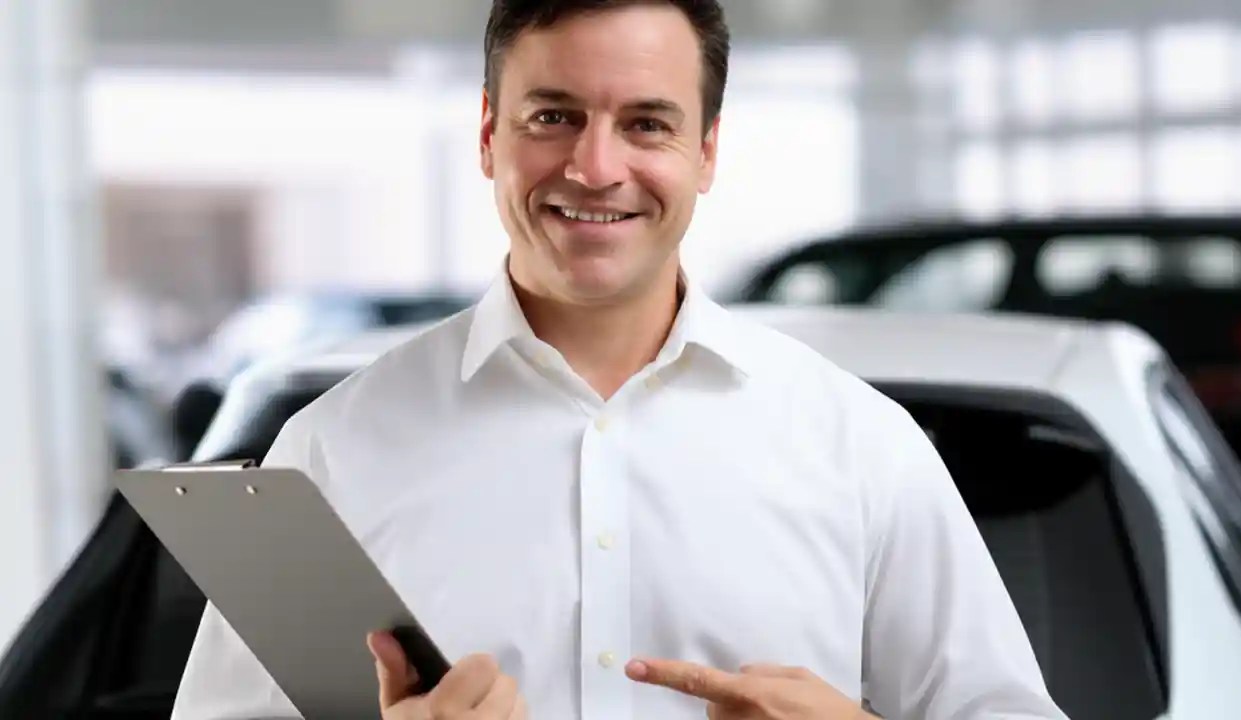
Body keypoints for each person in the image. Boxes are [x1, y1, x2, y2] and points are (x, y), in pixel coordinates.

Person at [171, 1, 1069, 718]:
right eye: (552, 116)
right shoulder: (331, 448)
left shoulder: (863, 446)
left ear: (706, 151)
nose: (596, 167)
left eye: (646, 124)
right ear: (487, 134)